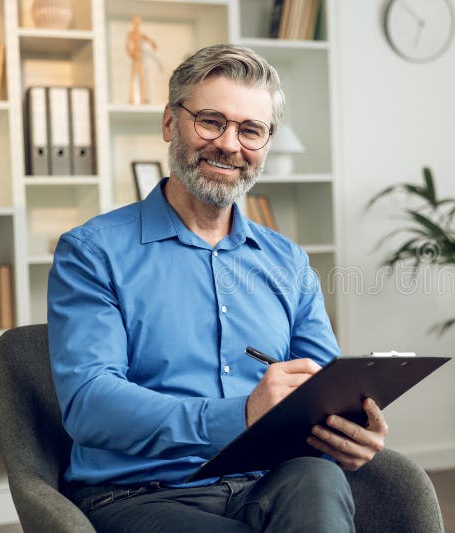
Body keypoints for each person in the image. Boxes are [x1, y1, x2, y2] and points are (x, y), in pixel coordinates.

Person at [48, 44, 388, 533]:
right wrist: (240, 414)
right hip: (140, 495)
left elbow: (322, 388)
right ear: (170, 123)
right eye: (211, 121)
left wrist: (351, 430)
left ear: (266, 143)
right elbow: (90, 403)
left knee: (318, 480)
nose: (230, 144)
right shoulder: (92, 252)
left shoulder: (287, 262)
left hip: (269, 482)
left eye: (251, 130)